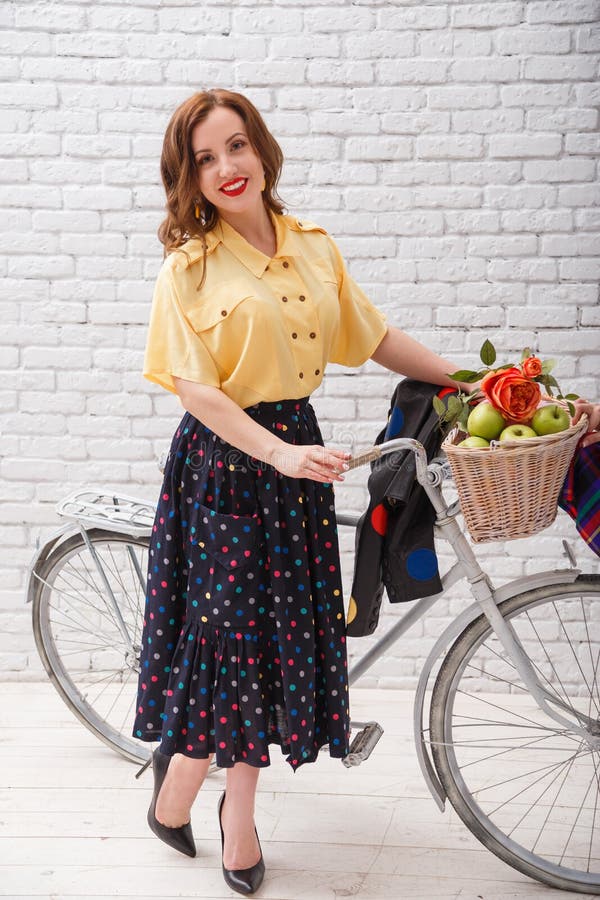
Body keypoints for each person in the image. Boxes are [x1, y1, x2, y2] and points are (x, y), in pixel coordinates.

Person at [132, 87, 475, 895]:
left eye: (237, 146)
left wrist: (478, 377)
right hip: (227, 463)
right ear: (190, 176)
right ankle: (233, 818)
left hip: (296, 465)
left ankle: (179, 792)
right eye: (206, 158)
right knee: (235, 646)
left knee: (271, 642)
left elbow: (375, 337)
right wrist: (278, 456)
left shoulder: (313, 247)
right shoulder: (190, 268)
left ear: (262, 150)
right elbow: (196, 390)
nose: (227, 168)